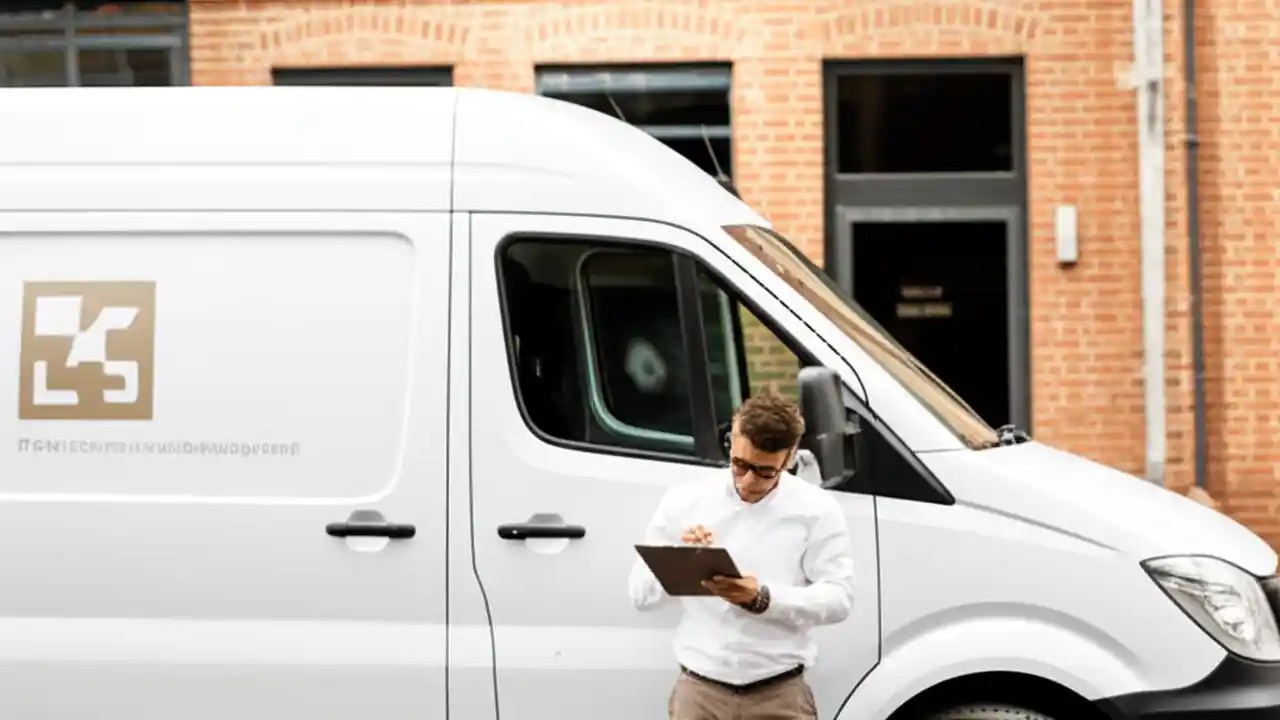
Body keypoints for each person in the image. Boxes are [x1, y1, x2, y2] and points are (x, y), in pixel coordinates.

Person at [628, 392, 856, 720]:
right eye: (739, 464)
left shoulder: (817, 511)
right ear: (732, 441)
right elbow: (640, 596)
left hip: (779, 694)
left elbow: (838, 598)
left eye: (765, 472)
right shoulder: (685, 501)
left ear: (790, 457)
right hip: (699, 693)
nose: (748, 481)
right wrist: (682, 558)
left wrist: (763, 598)